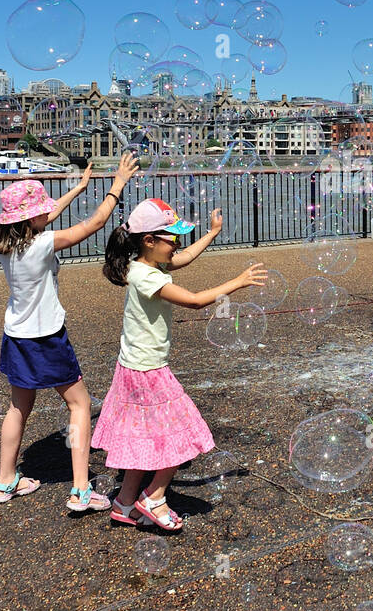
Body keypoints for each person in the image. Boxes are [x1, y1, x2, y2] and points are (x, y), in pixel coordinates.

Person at [94, 199, 268, 530]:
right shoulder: (148, 277)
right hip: (147, 370)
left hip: (136, 366)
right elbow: (195, 301)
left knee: (146, 437)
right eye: (171, 238)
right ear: (149, 241)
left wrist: (212, 233)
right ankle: (154, 497)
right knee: (181, 433)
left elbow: (185, 258)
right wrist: (238, 281)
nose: (177, 244)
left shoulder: (144, 265)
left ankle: (124, 503)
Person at [0, 153, 140, 512]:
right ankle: (81, 490)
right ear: (31, 218)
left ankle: (6, 479)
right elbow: (95, 222)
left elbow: (48, 214)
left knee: (18, 406)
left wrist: (79, 188)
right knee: (80, 403)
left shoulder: (7, 245)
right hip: (47, 337)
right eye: (41, 210)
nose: (47, 212)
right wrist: (117, 183)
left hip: (16, 334)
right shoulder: (43, 244)